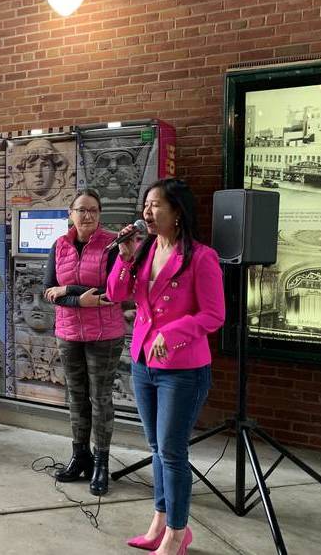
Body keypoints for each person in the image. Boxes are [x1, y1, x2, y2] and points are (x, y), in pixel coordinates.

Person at [105, 177, 224, 555]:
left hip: (183, 370)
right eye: (146, 204)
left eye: (156, 204)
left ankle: (177, 533)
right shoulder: (142, 251)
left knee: (172, 452)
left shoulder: (202, 257)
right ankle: (160, 519)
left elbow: (214, 315)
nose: (147, 211)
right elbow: (114, 294)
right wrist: (124, 256)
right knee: (156, 448)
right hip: (143, 362)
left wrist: (172, 333)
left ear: (177, 212)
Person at [43, 189, 125, 496]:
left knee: (100, 399)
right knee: (76, 397)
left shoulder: (112, 245)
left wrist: (68, 289)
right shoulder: (59, 245)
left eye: (92, 210)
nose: (87, 215)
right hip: (68, 333)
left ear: (100, 214)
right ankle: (80, 457)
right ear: (70, 214)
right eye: (81, 210)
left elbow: (114, 291)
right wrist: (80, 300)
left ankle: (101, 463)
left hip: (105, 336)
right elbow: (48, 289)